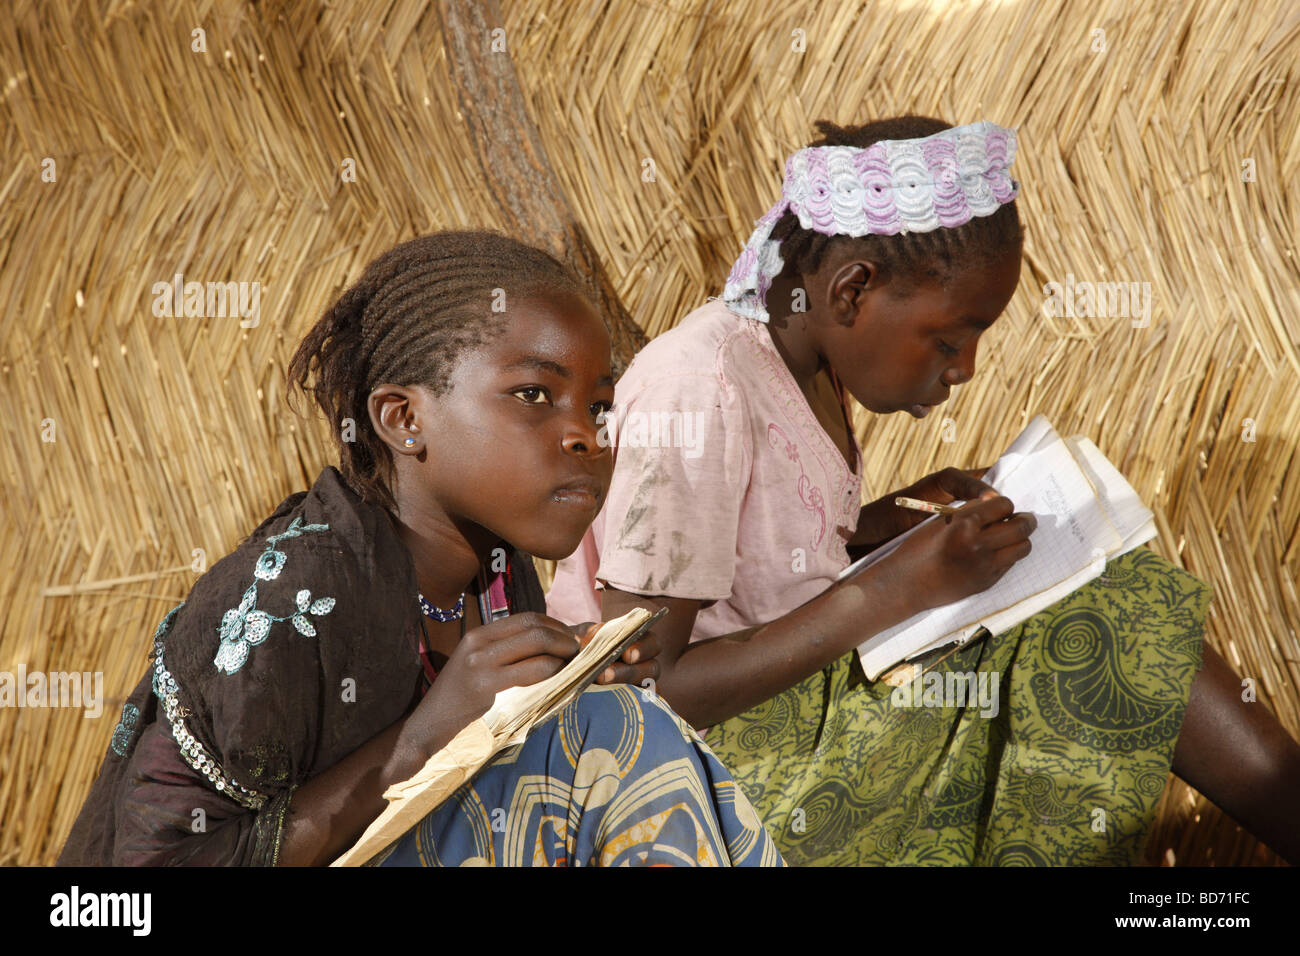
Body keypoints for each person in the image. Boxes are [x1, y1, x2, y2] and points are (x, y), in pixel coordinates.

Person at [547, 117, 1300, 865]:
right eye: (948, 339)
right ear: (852, 290)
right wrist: (890, 592)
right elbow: (642, 685)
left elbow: (758, 562)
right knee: (1102, 613)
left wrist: (884, 523)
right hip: (690, 780)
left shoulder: (803, 366)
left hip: (782, 713)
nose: (965, 367)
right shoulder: (698, 388)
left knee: (1098, 592)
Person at [57, 231, 783, 867]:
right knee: (618, 732)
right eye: (535, 395)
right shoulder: (295, 598)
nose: (586, 437)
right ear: (404, 419)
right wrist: (422, 740)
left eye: (597, 407)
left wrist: (566, 683)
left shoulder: (495, 575)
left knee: (613, 721)